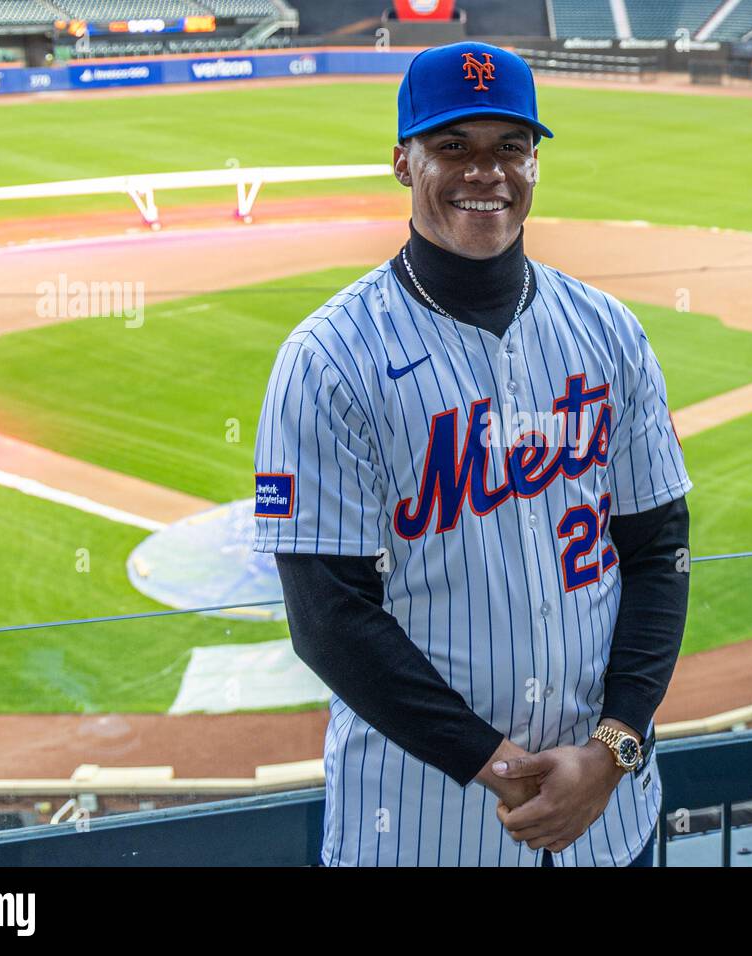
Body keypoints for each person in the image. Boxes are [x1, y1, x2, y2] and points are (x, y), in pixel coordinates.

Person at [253, 41, 692, 867]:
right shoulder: (328, 359)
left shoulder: (608, 332)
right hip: (422, 828)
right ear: (401, 161)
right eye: (453, 146)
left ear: (534, 161)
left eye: (510, 147)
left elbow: (658, 550)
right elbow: (326, 616)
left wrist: (613, 751)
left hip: (612, 819)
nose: (484, 171)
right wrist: (500, 769)